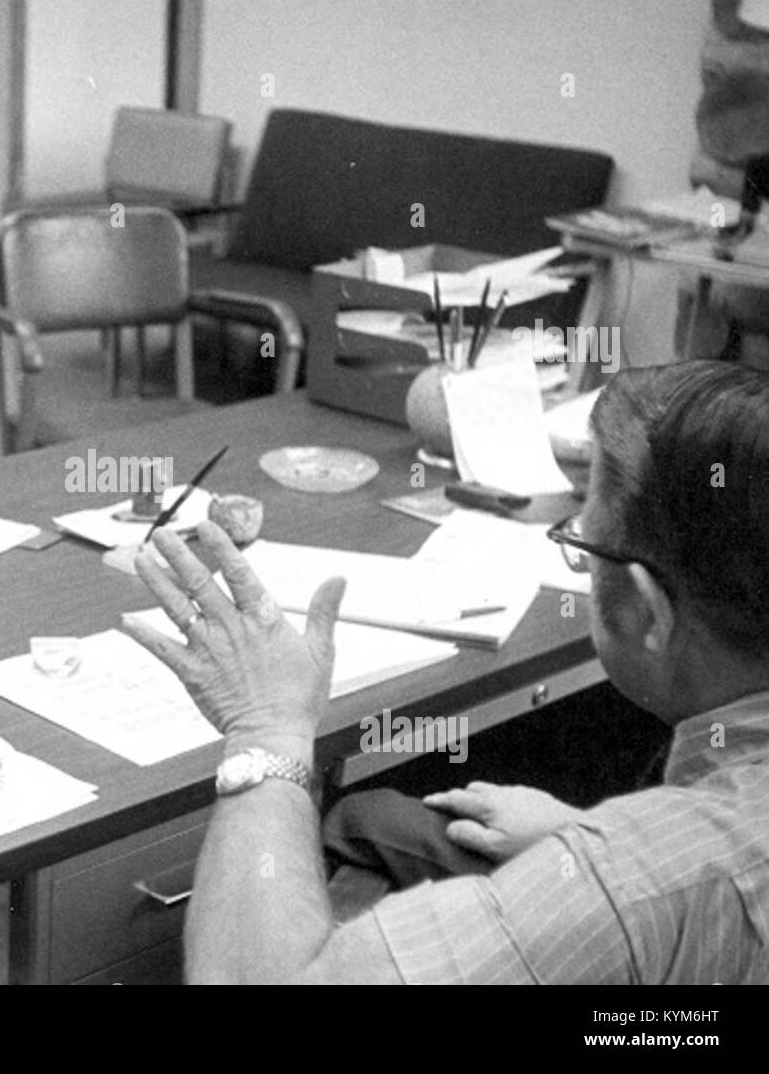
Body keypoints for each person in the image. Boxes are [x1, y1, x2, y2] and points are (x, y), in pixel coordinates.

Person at [123, 361, 769, 984]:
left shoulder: (628, 885)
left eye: (581, 540)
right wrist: (575, 835)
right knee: (369, 821)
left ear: (647, 608)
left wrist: (266, 731)